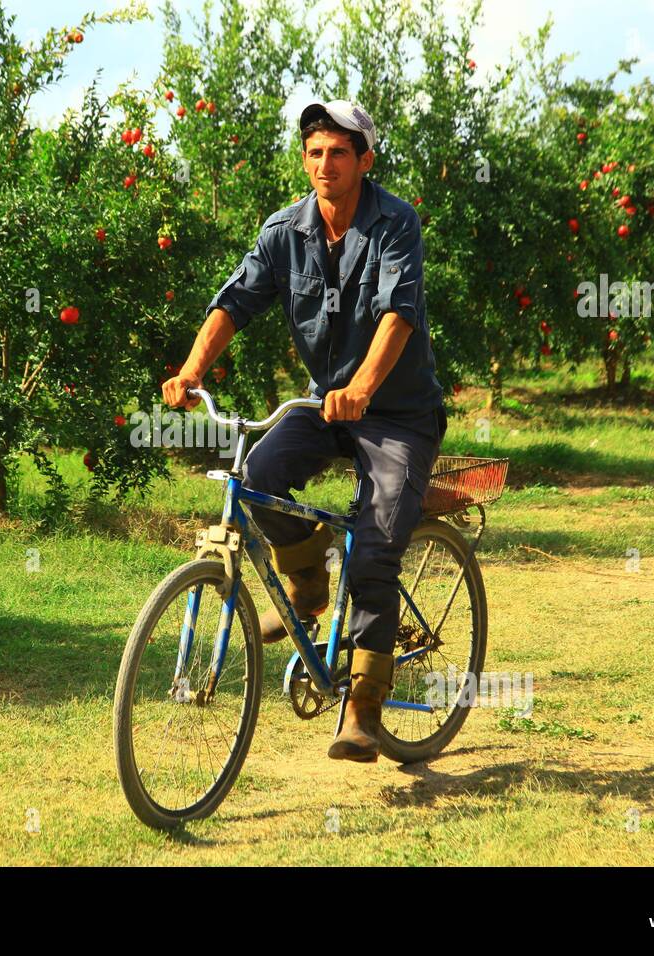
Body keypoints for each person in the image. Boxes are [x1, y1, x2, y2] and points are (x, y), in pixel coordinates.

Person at [161, 99, 447, 763]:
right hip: (326, 405)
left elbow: (398, 317)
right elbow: (234, 302)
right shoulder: (284, 231)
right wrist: (190, 370)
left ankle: (363, 705)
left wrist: (364, 389)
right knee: (258, 475)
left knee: (375, 546)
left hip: (397, 412)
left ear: (364, 161)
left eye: (339, 153)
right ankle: (310, 581)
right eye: (315, 153)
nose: (325, 164)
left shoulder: (394, 223)